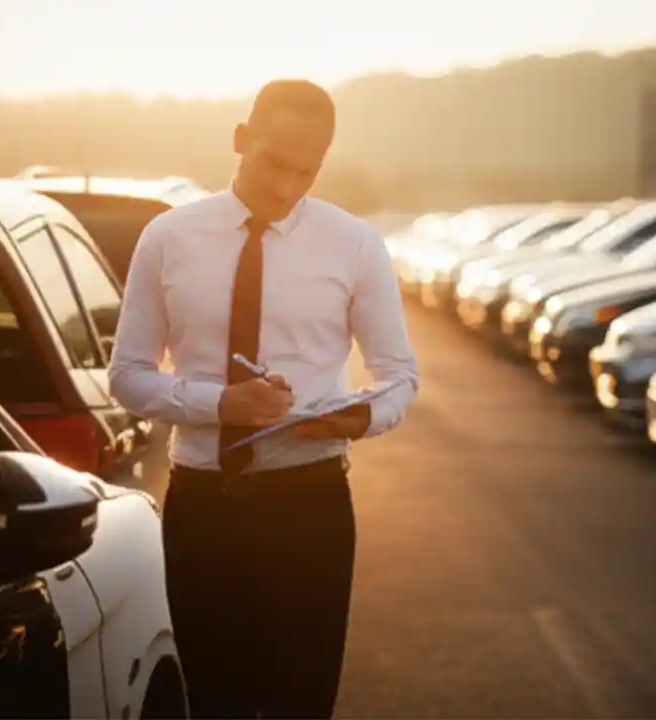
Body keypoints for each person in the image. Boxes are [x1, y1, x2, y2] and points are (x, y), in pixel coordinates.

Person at [108, 78, 419, 719]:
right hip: (203, 509)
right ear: (240, 138)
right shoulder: (168, 238)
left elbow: (399, 376)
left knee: (300, 705)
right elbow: (128, 376)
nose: (286, 188)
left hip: (311, 508)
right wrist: (218, 405)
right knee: (212, 702)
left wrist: (362, 414)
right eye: (275, 164)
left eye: (307, 172)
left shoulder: (354, 244)